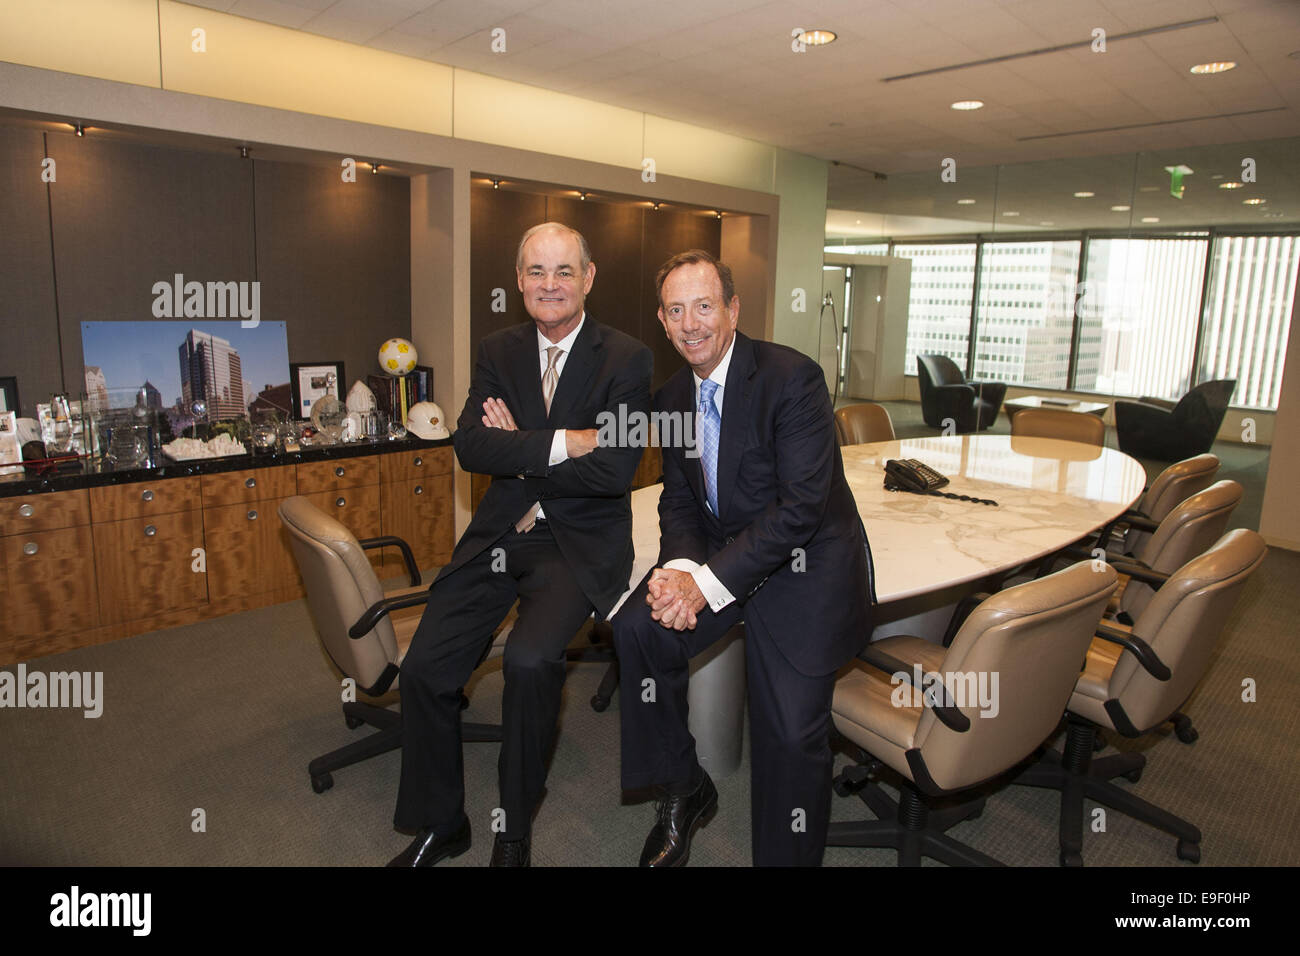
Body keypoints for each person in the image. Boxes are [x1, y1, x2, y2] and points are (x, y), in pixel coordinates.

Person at [389, 222, 652, 867]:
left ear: (589, 278)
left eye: (565, 271)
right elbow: (472, 447)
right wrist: (569, 439)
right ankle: (442, 823)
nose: (550, 284)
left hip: (577, 543)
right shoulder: (497, 349)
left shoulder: (627, 357)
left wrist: (522, 443)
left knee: (531, 663)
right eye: (537, 272)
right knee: (424, 670)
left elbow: (617, 470)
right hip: (502, 534)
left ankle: (514, 832)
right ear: (519, 281)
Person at [613, 249, 872, 866]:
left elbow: (800, 510)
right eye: (676, 311)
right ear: (662, 319)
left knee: (786, 734)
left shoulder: (793, 378)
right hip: (721, 559)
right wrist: (678, 569)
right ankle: (685, 788)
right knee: (635, 631)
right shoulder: (672, 396)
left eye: (704, 306)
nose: (691, 323)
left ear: (733, 310)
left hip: (802, 565)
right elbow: (679, 501)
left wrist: (709, 584)